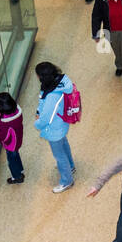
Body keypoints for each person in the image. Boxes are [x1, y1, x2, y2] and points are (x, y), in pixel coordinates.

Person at [33, 61, 76, 193]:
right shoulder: (58, 83)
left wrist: (37, 123)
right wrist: (38, 111)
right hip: (61, 123)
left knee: (59, 155)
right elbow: (43, 102)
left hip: (54, 129)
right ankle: (71, 166)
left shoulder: (52, 95)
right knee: (64, 144)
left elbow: (46, 118)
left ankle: (67, 180)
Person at [0, 91, 25, 184]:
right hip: (18, 138)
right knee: (16, 154)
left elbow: (2, 136)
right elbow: (7, 113)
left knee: (11, 160)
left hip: (11, 143)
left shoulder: (4, 122)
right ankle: (20, 170)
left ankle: (17, 177)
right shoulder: (16, 110)